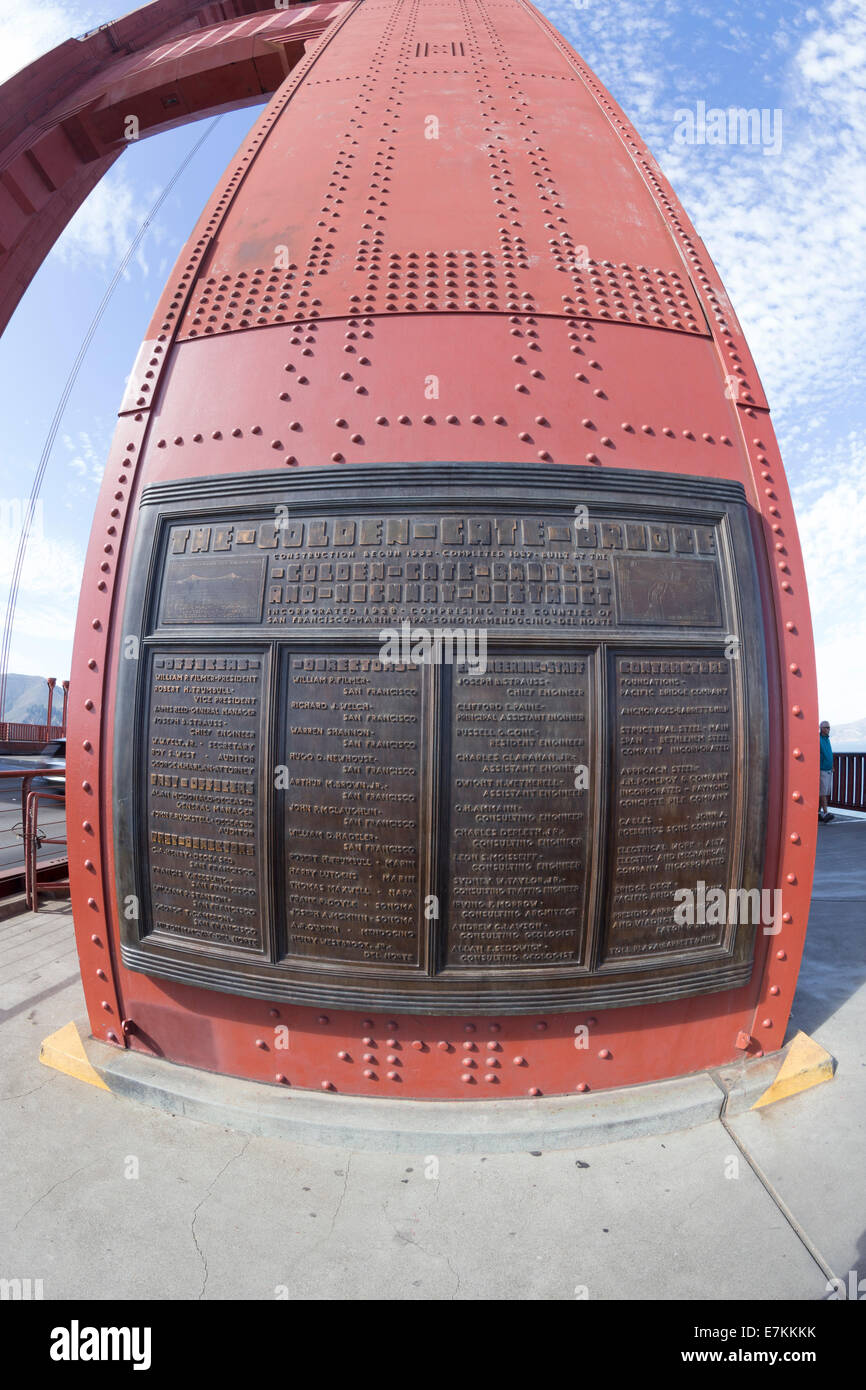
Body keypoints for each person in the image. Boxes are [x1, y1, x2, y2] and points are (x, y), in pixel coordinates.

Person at [819, 721, 835, 823]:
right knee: (823, 792)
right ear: (822, 728)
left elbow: (828, 753)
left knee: (824, 792)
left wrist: (832, 766)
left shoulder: (827, 739)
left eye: (829, 727)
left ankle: (819, 813)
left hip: (828, 769)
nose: (829, 729)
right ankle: (825, 813)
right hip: (822, 769)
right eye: (827, 727)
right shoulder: (818, 739)